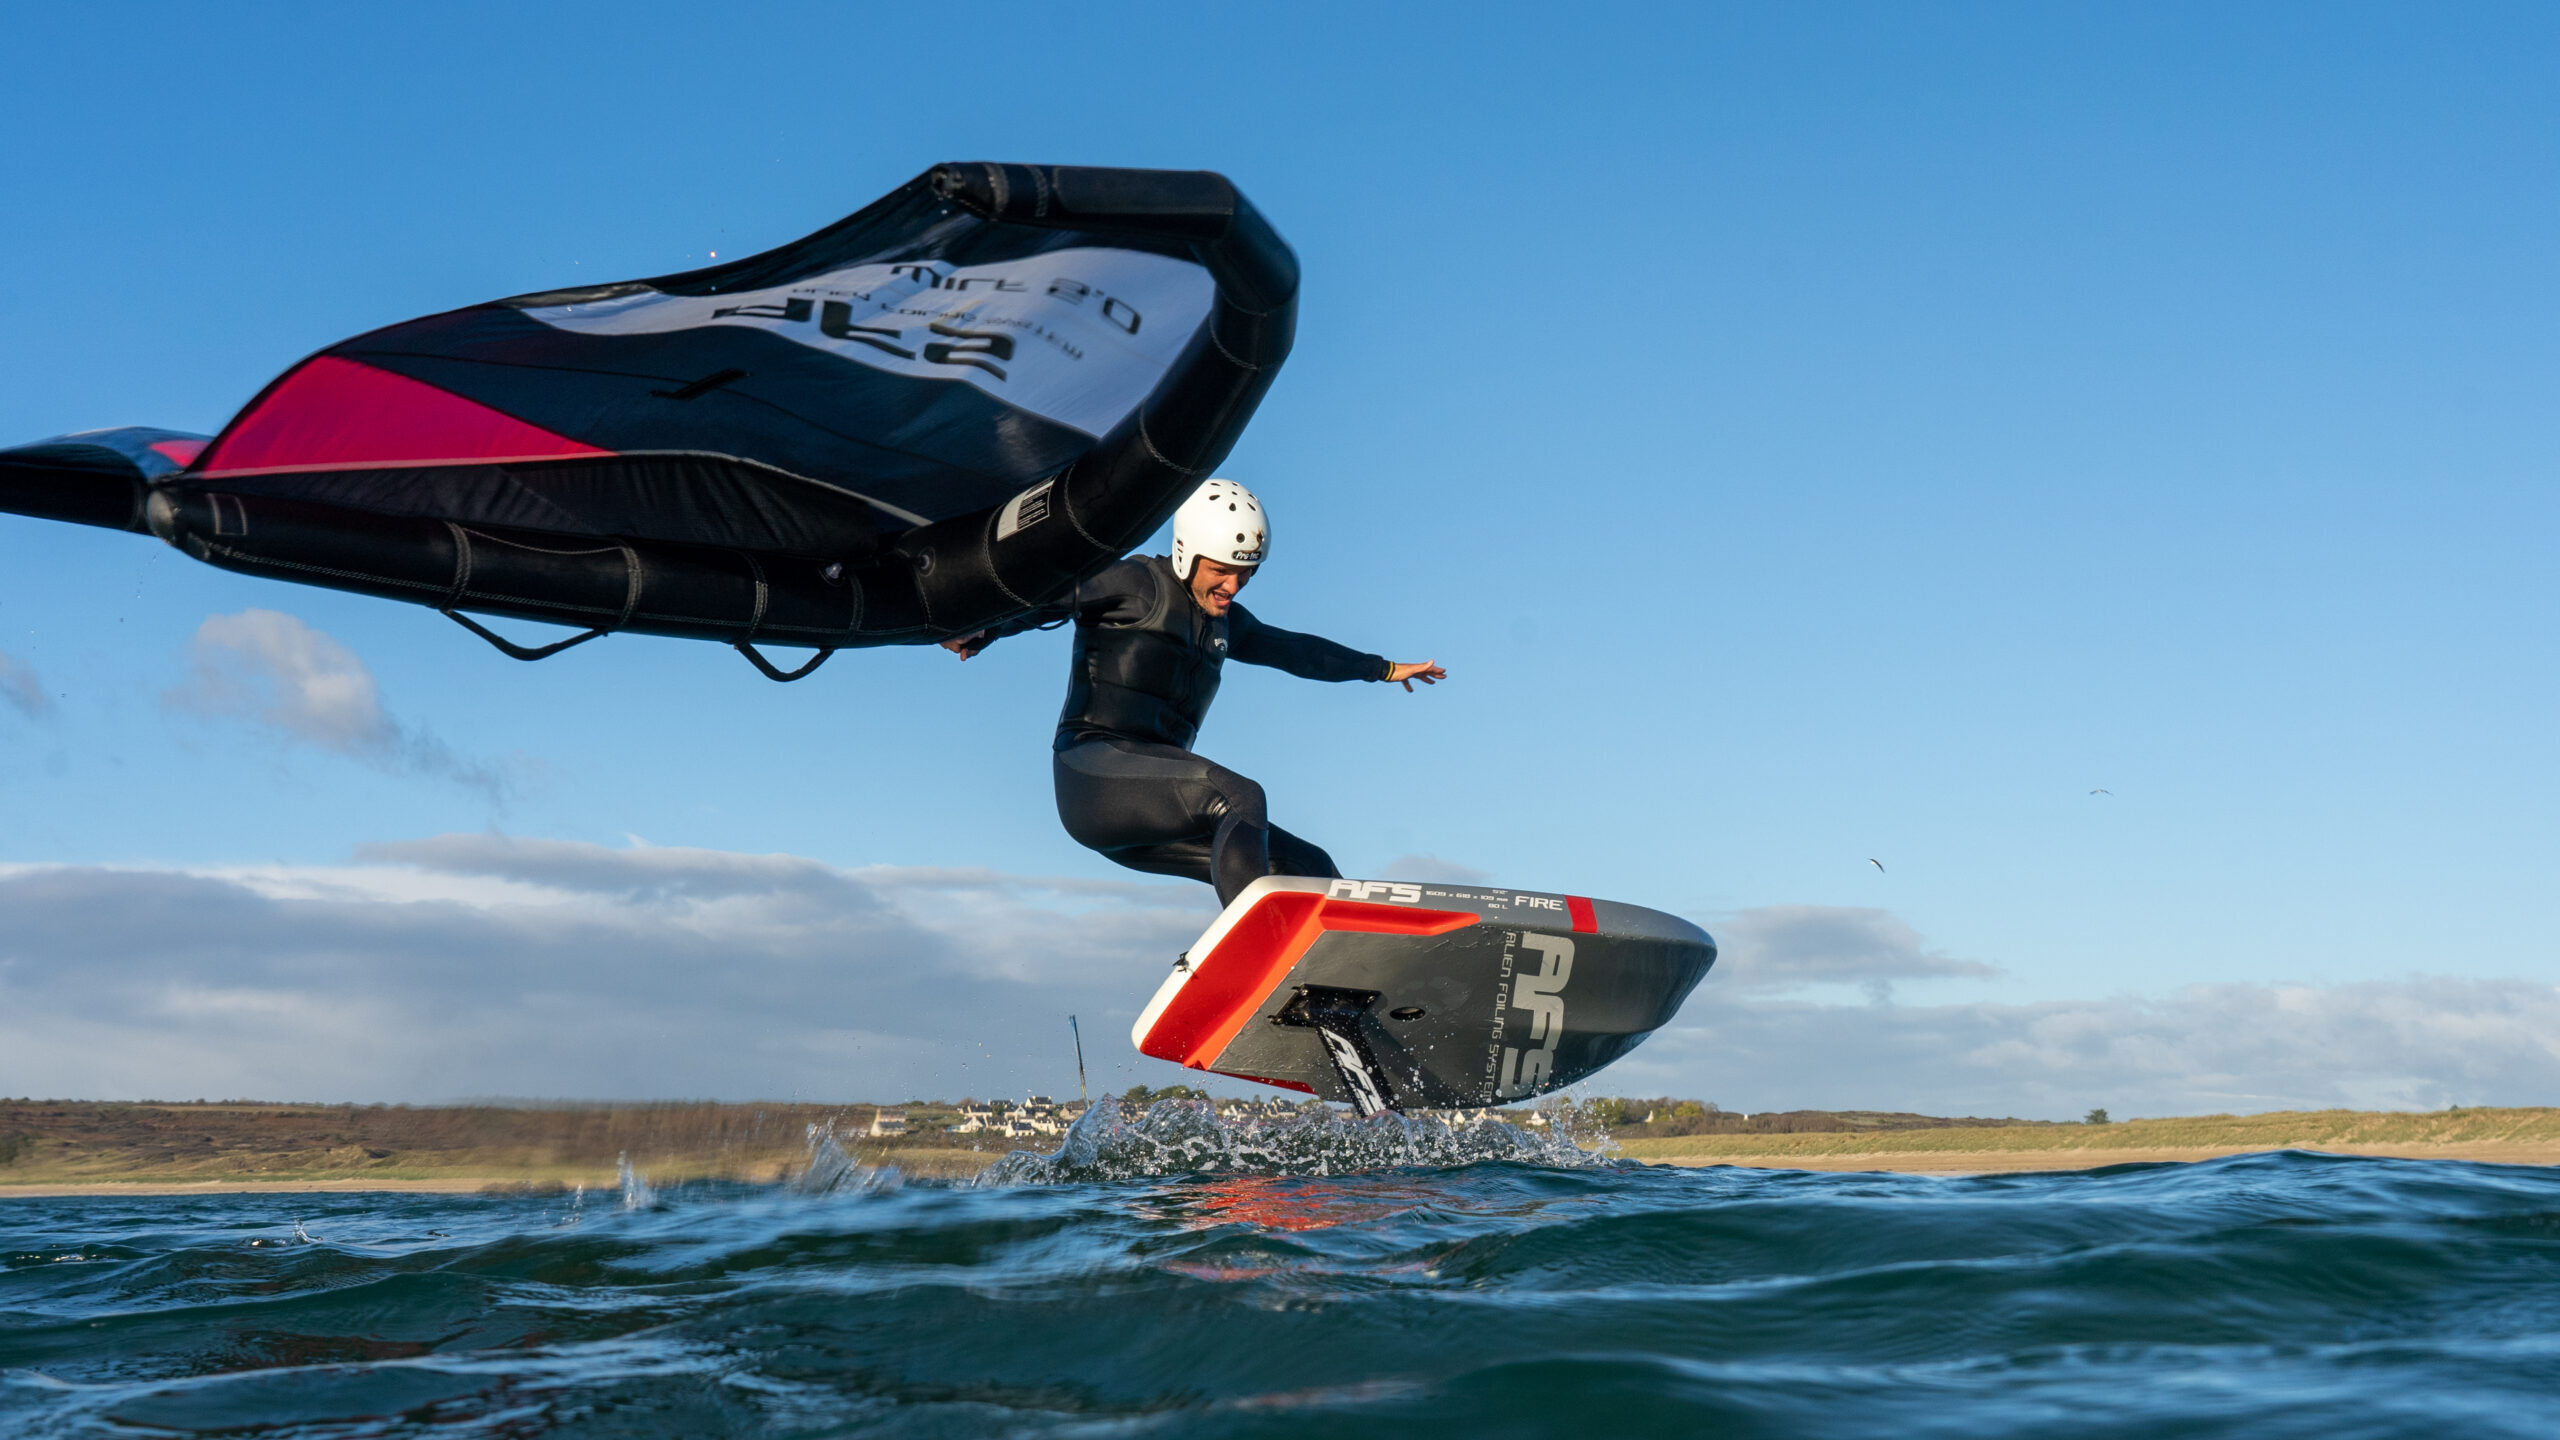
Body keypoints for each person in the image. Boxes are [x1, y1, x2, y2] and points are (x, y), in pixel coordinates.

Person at [944, 478, 1445, 905]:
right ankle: (1257, 950)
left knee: (1306, 865)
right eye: (1221, 570)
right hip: (1094, 777)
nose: (1233, 586)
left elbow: (1297, 651)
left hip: (1158, 804)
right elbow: (1048, 597)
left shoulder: (1227, 622)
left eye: (1245, 573)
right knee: (1239, 796)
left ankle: (1332, 979)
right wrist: (984, 628)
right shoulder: (1136, 582)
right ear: (1187, 551)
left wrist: (1381, 669)